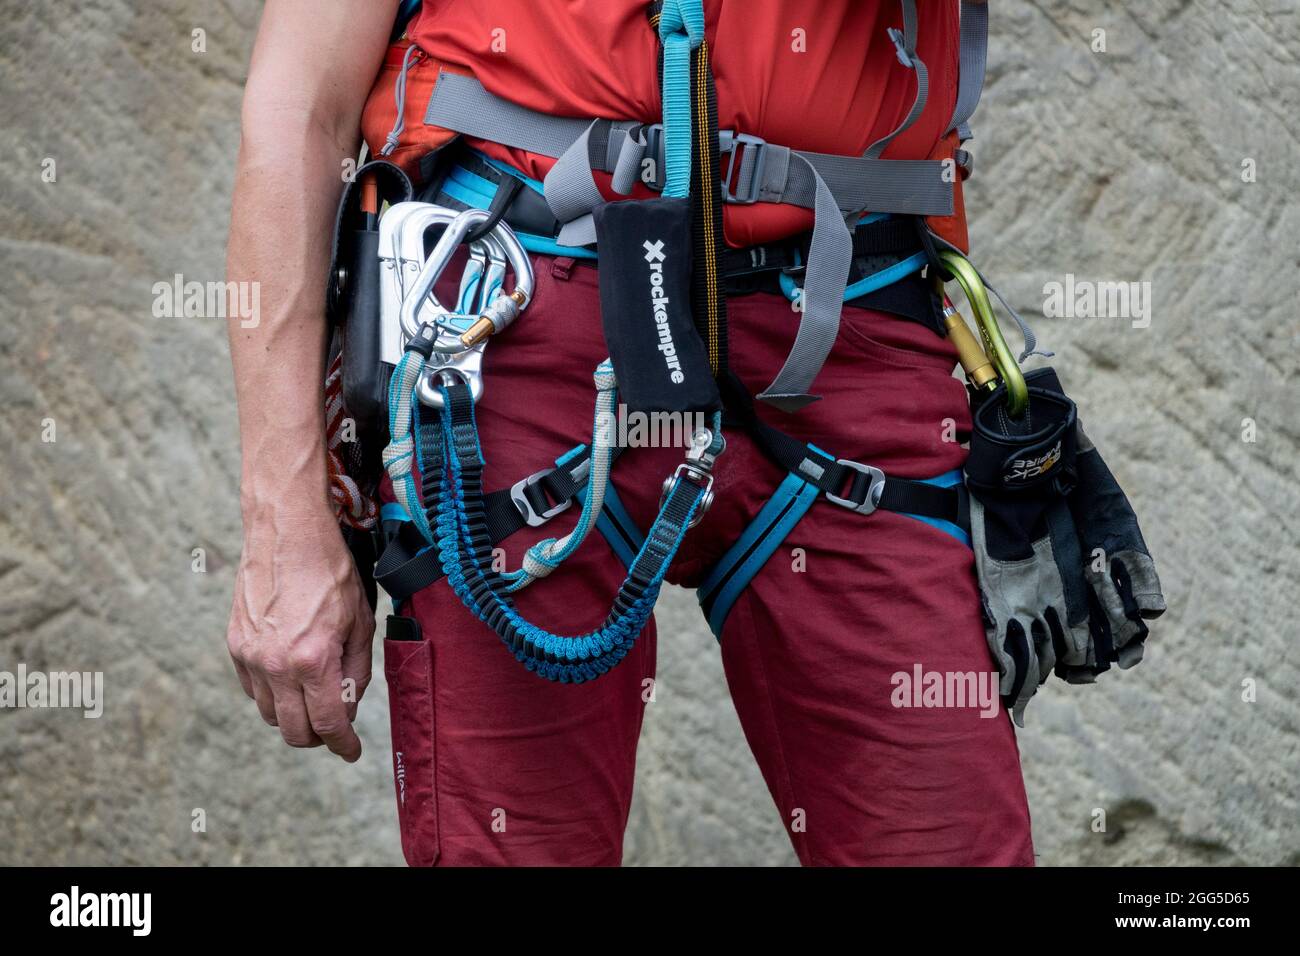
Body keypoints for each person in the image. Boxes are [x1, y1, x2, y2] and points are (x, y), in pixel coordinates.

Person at [226, 0, 1034, 866]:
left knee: (944, 839)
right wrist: (286, 526)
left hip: (849, 320)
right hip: (514, 321)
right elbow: (299, 106)